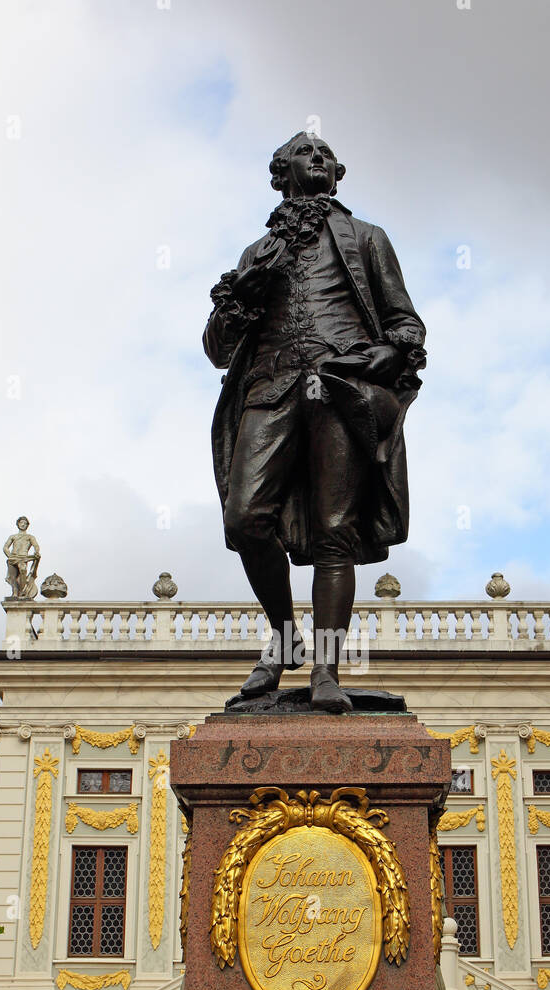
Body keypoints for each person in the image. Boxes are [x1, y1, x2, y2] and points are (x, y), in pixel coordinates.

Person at [203, 132, 426, 712]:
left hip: (338, 388)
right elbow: (218, 350)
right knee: (246, 518)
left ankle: (326, 670)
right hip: (270, 386)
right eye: (308, 153)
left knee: (335, 530)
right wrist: (235, 303)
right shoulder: (257, 254)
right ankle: (283, 637)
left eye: (327, 155)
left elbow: (405, 323)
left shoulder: (367, 239)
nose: (320, 160)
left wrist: (386, 353)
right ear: (282, 172)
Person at [3, 516, 40, 599]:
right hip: (13, 558)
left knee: (23, 571)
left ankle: (23, 591)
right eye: (21, 523)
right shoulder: (13, 536)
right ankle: (15, 593)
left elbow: (36, 546)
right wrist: (10, 555)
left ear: (27, 525)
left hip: (23, 557)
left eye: (25, 523)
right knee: (12, 577)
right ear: (18, 524)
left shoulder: (30, 537)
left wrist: (36, 552)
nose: (23, 524)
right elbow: (5, 547)